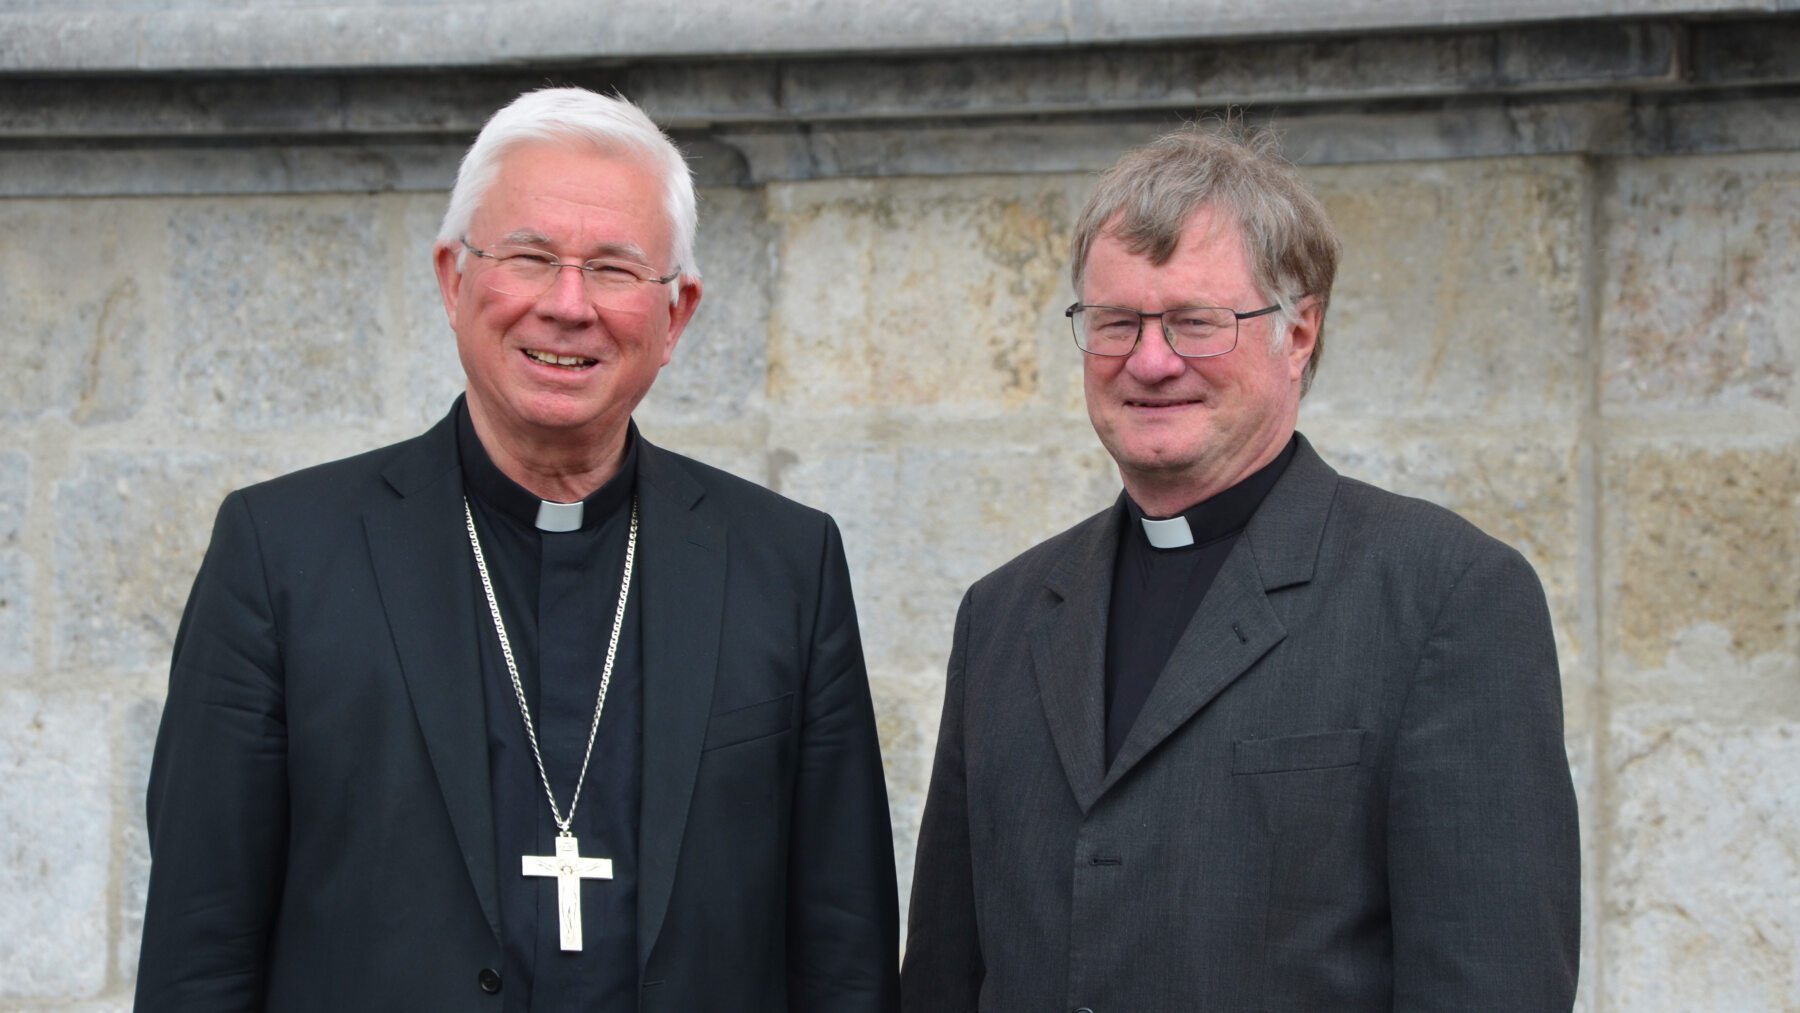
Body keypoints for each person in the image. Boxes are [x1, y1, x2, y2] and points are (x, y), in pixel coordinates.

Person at [136, 87, 899, 1012]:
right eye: (530, 258)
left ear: (678, 313)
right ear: (454, 280)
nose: (568, 306)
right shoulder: (280, 553)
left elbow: (845, 957)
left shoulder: (786, 566)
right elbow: (199, 952)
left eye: (616, 270)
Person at [901, 126, 1579, 1011]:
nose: (1150, 360)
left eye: (1195, 322)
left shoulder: (1444, 596)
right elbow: (946, 980)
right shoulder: (1003, 614)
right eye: (1117, 322)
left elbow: (1493, 984)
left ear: (1297, 333)